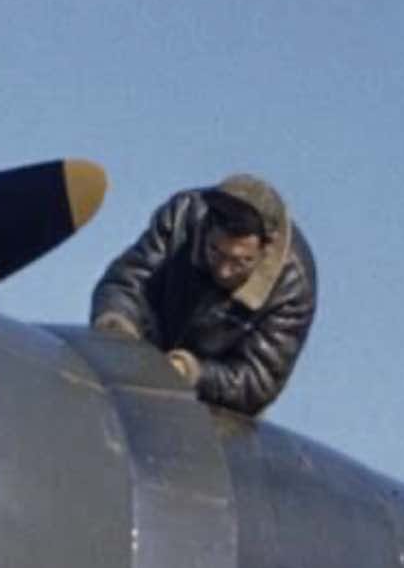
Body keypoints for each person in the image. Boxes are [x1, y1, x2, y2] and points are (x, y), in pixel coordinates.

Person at [89, 174, 316, 417]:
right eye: (215, 252)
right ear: (206, 228)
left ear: (266, 247)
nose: (224, 270)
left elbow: (257, 381)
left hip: (216, 406)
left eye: (241, 261)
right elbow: (127, 281)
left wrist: (192, 373)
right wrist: (117, 326)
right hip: (139, 357)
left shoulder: (293, 287)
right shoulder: (181, 217)